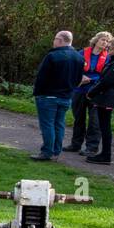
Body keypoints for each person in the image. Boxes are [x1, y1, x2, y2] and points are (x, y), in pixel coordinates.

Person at [31, 30, 84, 161]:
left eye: (55, 39)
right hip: (66, 96)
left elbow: (41, 77)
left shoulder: (52, 56)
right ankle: (56, 150)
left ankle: (47, 151)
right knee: (59, 124)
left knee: (47, 124)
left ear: (60, 40)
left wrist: (38, 93)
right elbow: (78, 79)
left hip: (48, 95)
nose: (53, 41)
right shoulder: (79, 57)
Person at [85, 33, 114, 165]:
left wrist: (91, 93)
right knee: (104, 126)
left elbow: (106, 82)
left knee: (105, 127)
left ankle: (106, 155)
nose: (108, 47)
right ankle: (104, 154)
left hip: (108, 97)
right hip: (106, 96)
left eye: (111, 45)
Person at [65, 31, 111, 155]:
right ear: (96, 40)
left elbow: (106, 76)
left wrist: (90, 79)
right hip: (79, 90)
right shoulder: (82, 53)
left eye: (107, 41)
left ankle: (91, 147)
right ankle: (75, 144)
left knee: (94, 121)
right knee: (78, 119)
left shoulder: (108, 58)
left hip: (96, 93)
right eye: (103, 40)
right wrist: (81, 76)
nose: (105, 42)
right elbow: (73, 69)